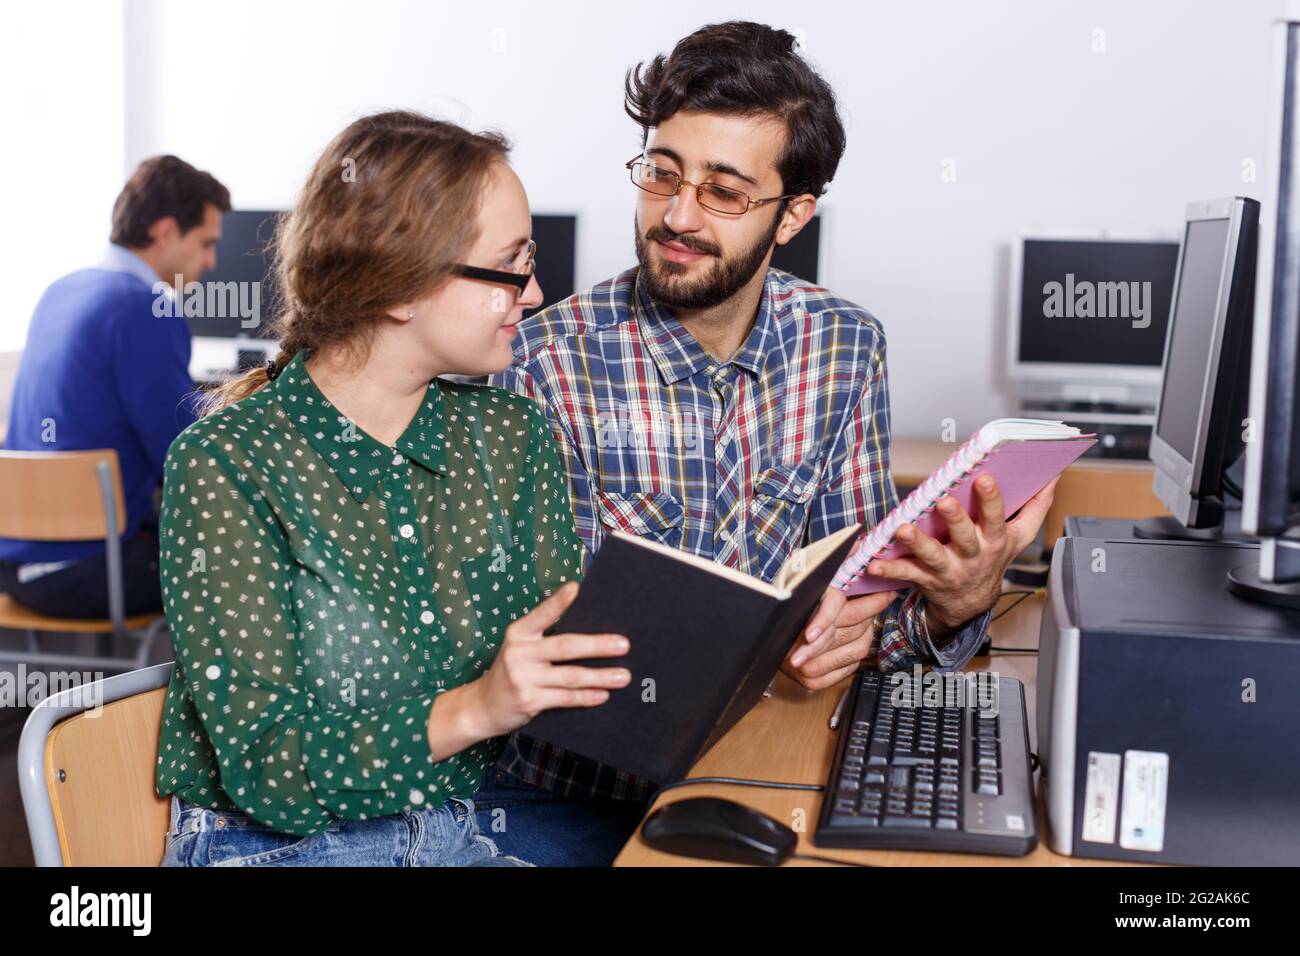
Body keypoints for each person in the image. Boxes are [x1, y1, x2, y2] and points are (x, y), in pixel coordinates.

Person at [474, 21, 1057, 866]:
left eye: (724, 191)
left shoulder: (844, 347)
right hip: (570, 802)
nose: (676, 215)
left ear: (793, 215)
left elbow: (864, 619)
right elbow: (494, 649)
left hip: (755, 769)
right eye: (663, 174)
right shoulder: (537, 360)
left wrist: (947, 606)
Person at [155, 111, 630, 867]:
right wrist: (478, 707)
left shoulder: (514, 437)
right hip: (280, 846)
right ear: (403, 287)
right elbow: (270, 769)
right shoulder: (227, 463)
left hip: (463, 826)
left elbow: (560, 670)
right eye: (513, 264)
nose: (535, 293)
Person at [0, 156, 228, 618]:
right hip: (93, 575)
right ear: (165, 231)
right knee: (256, 558)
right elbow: (184, 456)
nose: (210, 262)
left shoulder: (59, 291)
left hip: (15, 565)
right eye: (205, 243)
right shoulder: (146, 309)